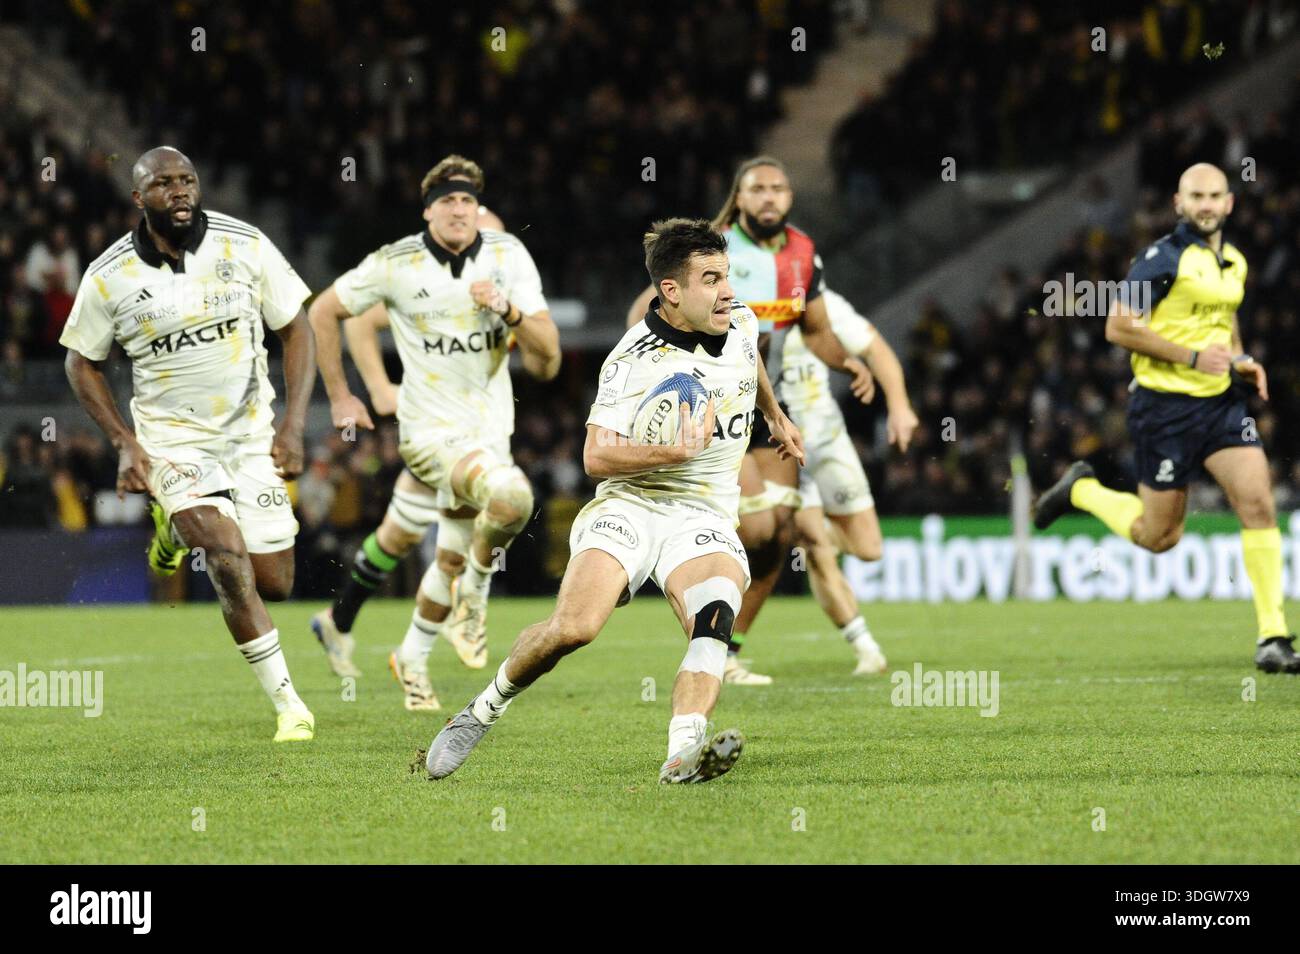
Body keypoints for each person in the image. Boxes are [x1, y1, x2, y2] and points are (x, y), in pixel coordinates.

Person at [423, 218, 804, 783]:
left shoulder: (741, 319)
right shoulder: (633, 359)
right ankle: (482, 710)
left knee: (716, 614)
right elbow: (596, 457)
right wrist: (675, 450)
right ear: (671, 291)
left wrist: (773, 415)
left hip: (703, 515)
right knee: (575, 628)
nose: (728, 291)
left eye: (726, 276)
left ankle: (683, 754)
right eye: (711, 279)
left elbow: (749, 361)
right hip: (629, 505)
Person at [61, 146, 317, 741]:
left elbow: (296, 328)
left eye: (188, 180)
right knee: (226, 555)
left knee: (274, 580)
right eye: (163, 184)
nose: (179, 191)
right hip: (172, 442)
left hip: (251, 435)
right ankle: (289, 707)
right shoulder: (110, 274)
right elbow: (81, 363)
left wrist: (295, 425)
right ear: (138, 197)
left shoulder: (245, 244)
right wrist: (125, 442)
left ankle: (171, 529)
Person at [308, 156, 559, 710]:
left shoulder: (507, 261)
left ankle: (408, 654)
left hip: (488, 436)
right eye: (448, 201)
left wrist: (511, 312)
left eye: (469, 203)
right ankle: (476, 594)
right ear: (428, 211)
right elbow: (342, 314)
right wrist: (363, 391)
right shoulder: (400, 264)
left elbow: (550, 358)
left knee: (441, 554)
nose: (461, 212)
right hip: (428, 435)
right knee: (507, 500)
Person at [1035, 163, 1296, 674]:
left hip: (1221, 406)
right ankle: (1082, 490)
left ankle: (1273, 637)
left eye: (1214, 195)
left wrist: (1240, 361)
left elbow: (1225, 325)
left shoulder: (1235, 263)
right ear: (1178, 203)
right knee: (1159, 537)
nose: (1205, 204)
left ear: (1229, 204)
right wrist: (1192, 357)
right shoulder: (1160, 259)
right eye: (1195, 196)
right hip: (1164, 410)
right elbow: (1118, 325)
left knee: (1258, 504)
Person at [627, 157, 873, 685]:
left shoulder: (805, 255)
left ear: (789, 197)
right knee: (757, 525)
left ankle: (728, 650)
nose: (769, 196)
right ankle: (700, 621)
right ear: (739, 198)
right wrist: (653, 370)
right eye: (756, 188)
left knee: (778, 534)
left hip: (762, 399)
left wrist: (845, 362)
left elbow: (816, 328)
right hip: (708, 406)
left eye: (778, 187)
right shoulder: (711, 249)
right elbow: (642, 312)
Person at [782, 289, 917, 674]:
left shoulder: (822, 304)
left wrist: (900, 406)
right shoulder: (740, 304)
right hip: (781, 446)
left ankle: (800, 532)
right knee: (815, 544)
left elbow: (877, 350)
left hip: (828, 439)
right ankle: (867, 649)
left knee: (869, 548)